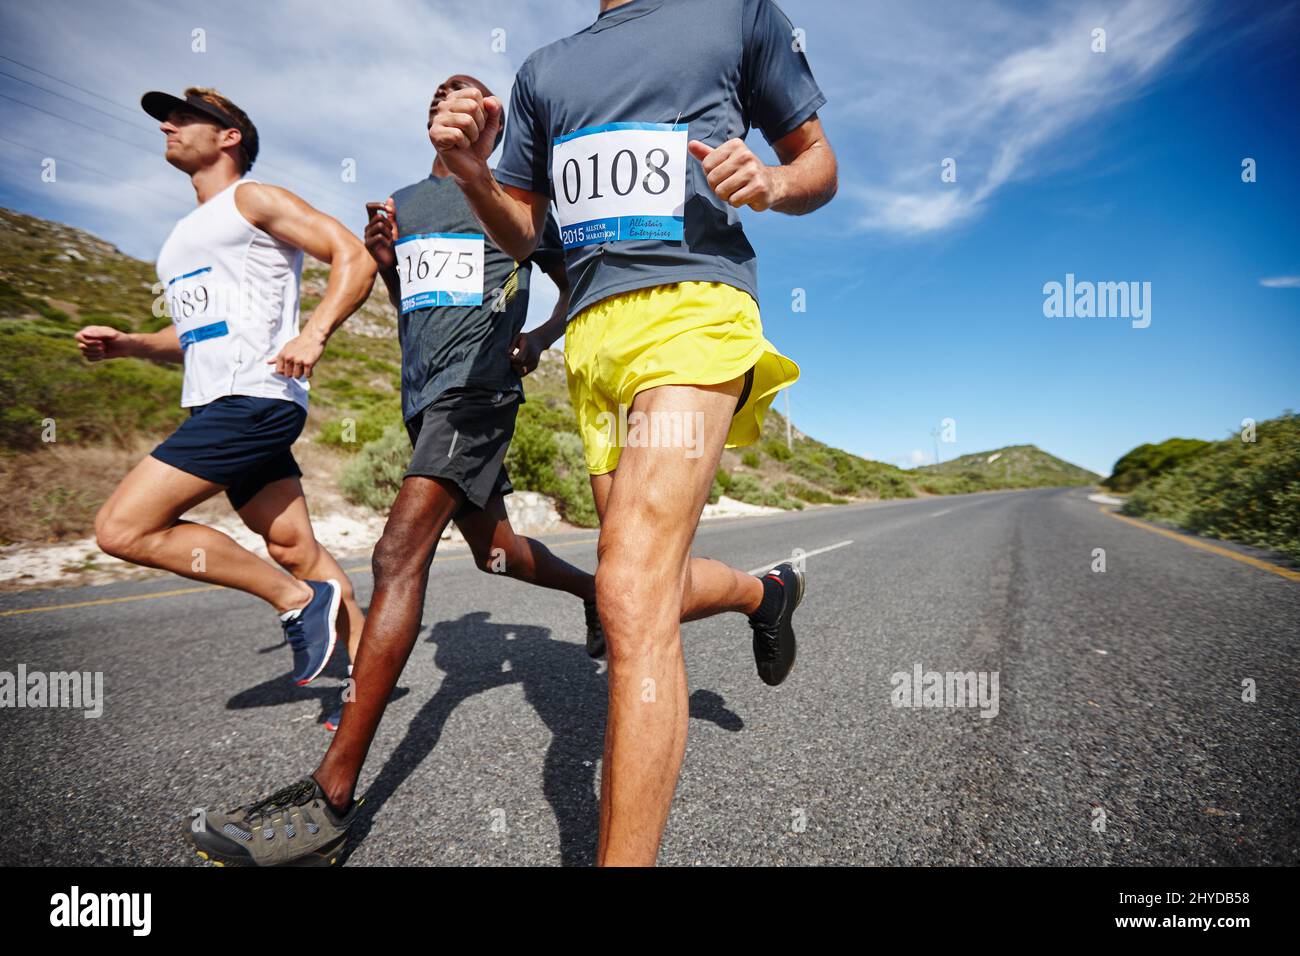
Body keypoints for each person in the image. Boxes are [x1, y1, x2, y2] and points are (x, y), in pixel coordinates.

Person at [430, 0, 838, 865]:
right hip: (593, 342)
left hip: (697, 308)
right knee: (631, 588)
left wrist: (768, 182)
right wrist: (472, 174)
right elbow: (526, 231)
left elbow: (818, 165)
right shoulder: (543, 69)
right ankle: (766, 595)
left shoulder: (736, 15)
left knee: (626, 594)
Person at [184, 75, 602, 867]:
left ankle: (330, 800)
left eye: (472, 93)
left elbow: (575, 281)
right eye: (443, 90)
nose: (454, 96)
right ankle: (597, 595)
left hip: (478, 391)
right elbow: (418, 300)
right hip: (424, 396)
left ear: (493, 120)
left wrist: (542, 337)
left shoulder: (520, 189)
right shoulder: (405, 200)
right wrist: (385, 262)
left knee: (394, 556)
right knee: (496, 551)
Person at [75, 87, 374, 697]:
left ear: (229, 136)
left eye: (183, 118)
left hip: (254, 398)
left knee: (122, 529)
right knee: (295, 547)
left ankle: (295, 603)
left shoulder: (252, 199)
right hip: (221, 401)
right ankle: (368, 686)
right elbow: (195, 333)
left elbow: (354, 257)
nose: (168, 127)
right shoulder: (185, 235)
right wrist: (130, 344)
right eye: (166, 120)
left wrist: (315, 333)